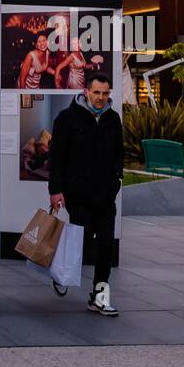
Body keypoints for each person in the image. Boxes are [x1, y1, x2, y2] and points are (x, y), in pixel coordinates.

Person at [49, 72, 124, 316]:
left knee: (105, 246)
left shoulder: (113, 119)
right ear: (86, 92)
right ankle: (60, 273)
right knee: (80, 242)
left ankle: (99, 296)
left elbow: (119, 154)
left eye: (105, 93)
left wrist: (117, 180)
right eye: (97, 93)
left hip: (105, 195)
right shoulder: (67, 118)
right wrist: (56, 190)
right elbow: (57, 157)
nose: (101, 98)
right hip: (78, 195)